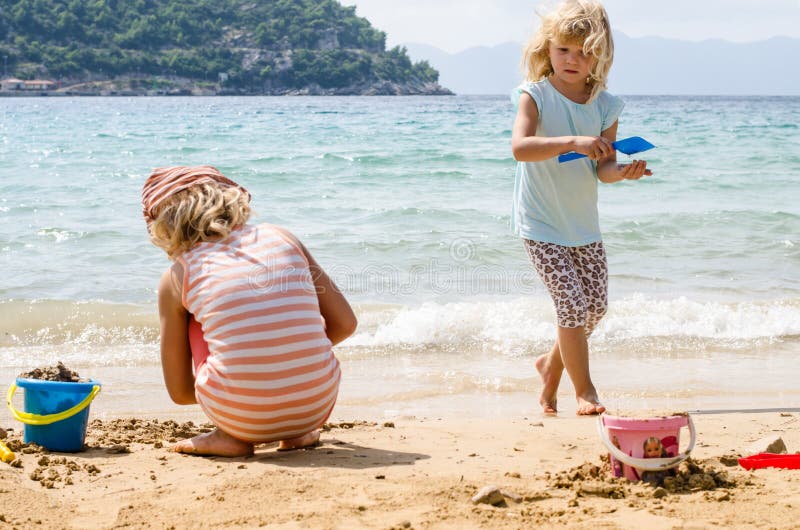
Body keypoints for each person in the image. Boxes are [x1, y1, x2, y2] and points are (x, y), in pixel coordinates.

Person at [142, 165, 357, 457]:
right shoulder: (283, 237)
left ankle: (229, 435)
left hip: (239, 416)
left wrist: (250, 374)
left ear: (163, 225)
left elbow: (180, 392)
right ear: (232, 199)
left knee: (196, 316)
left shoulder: (179, 275)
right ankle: (297, 432)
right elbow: (345, 324)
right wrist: (284, 351)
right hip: (315, 403)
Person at [510, 0, 651, 415]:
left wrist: (622, 172)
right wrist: (574, 141)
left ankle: (550, 367)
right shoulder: (534, 95)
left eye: (585, 51)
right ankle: (584, 391)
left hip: (583, 224)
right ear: (547, 48)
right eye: (564, 50)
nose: (573, 60)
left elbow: (602, 170)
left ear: (600, 55)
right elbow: (520, 149)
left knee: (594, 309)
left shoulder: (606, 106)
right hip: (540, 222)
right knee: (571, 307)